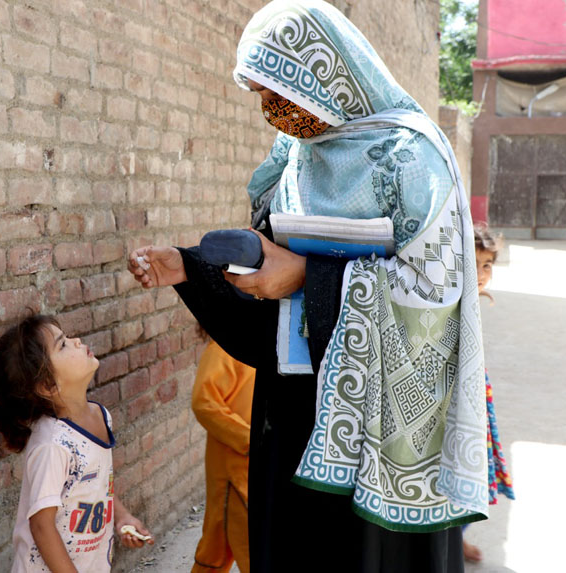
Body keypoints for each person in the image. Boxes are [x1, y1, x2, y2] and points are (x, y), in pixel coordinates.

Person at [127, 1, 488, 571]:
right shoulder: (292, 160)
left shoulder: (411, 157)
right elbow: (265, 297)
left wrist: (307, 274)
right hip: (293, 418)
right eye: (263, 98)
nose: (272, 112)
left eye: (280, 96)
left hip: (384, 429)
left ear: (330, 76)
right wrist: (189, 269)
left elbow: (434, 299)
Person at [0, 314, 153, 573]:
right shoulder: (53, 446)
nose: (76, 341)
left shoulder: (100, 416)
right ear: (48, 385)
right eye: (62, 344)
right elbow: (41, 526)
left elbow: (98, 487)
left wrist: (122, 517)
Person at [462, 224, 515, 563]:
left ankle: (459, 536)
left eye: (487, 265)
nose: (481, 274)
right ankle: (453, 538)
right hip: (462, 398)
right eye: (475, 263)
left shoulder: (474, 301)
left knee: (477, 474)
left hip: (476, 394)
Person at [191, 334, 255, 573]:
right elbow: (204, 402)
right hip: (233, 472)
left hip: (249, 468)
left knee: (216, 545)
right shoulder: (223, 349)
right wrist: (248, 439)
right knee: (239, 543)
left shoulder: (263, 341)